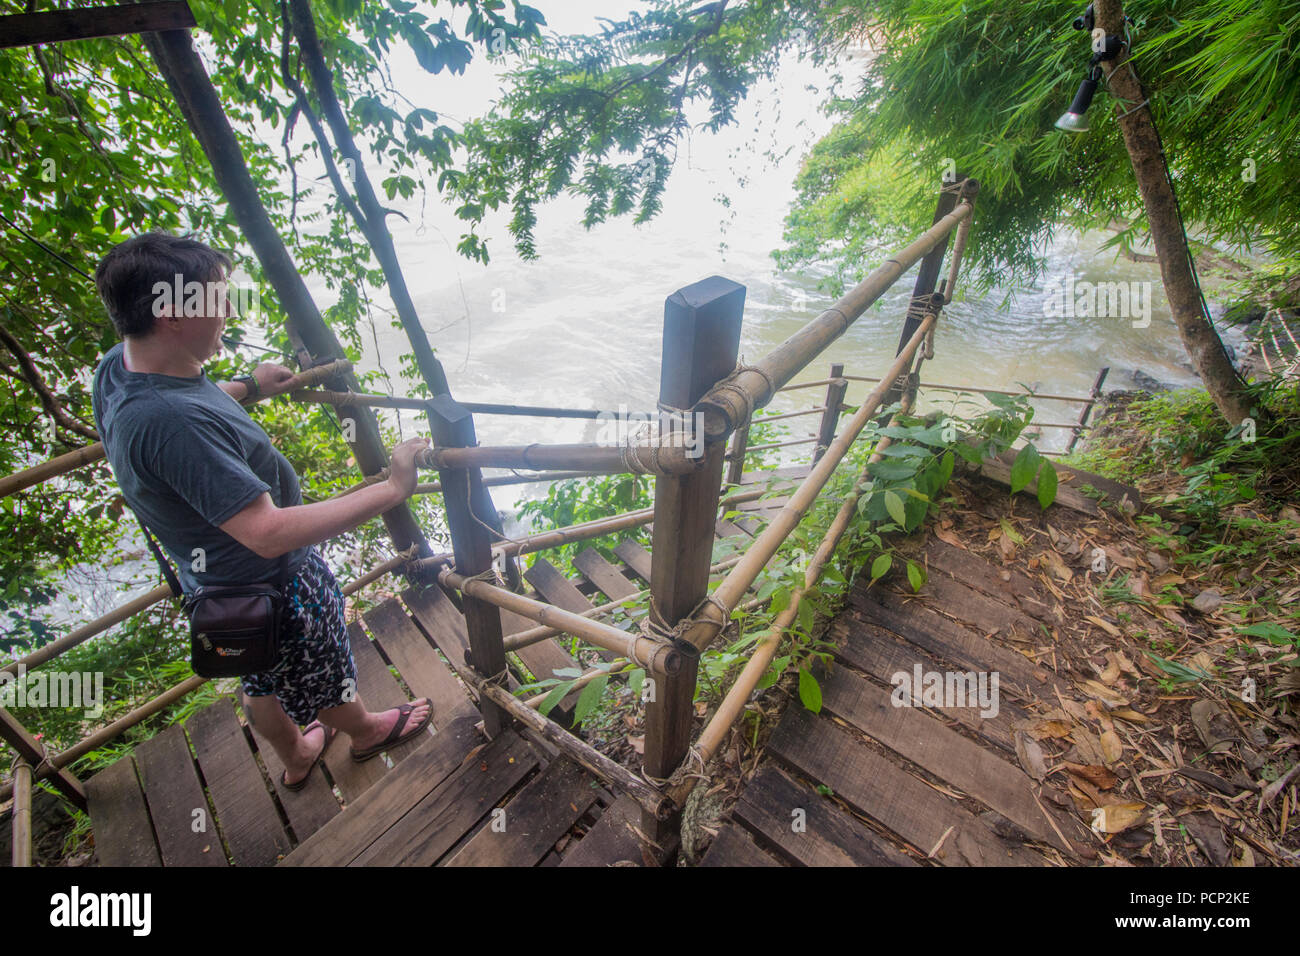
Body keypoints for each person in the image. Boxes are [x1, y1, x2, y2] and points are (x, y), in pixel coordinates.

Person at [90, 232, 432, 790]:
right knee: (322, 667)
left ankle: (297, 756)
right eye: (218, 299)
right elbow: (267, 532)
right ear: (174, 315)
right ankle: (366, 733)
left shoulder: (119, 367)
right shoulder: (170, 424)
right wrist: (393, 487)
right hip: (275, 580)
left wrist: (246, 386)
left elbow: (176, 398)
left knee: (260, 674)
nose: (229, 310)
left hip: (219, 588)